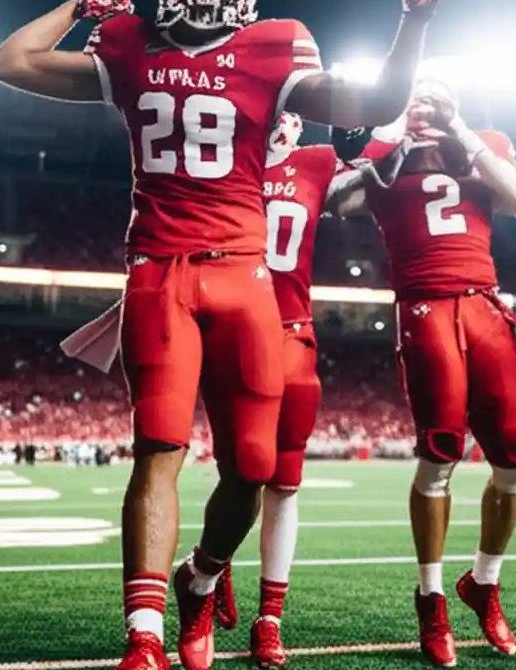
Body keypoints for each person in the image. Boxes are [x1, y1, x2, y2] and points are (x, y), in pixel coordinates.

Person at [0, 0, 451, 668]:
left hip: (244, 276)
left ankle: (201, 576)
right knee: (159, 448)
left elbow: (377, 104)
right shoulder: (129, 40)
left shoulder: (276, 44)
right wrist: (81, 5)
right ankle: (142, 635)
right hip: (160, 271)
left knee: (252, 465)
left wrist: (414, 21)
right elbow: (12, 61)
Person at [328, 77, 516, 667]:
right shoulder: (381, 151)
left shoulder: (481, 139)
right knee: (440, 449)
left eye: (434, 99)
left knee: (515, 455)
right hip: (423, 303)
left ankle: (484, 582)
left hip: (484, 302)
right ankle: (432, 596)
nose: (424, 108)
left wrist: (459, 130)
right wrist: (388, 148)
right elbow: (338, 204)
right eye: (415, 99)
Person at [211, 112, 341, 667]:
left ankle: (271, 618)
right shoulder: (216, 165)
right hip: (233, 329)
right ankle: (212, 563)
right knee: (240, 471)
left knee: (285, 482)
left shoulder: (316, 162)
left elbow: (383, 159)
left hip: (291, 331)